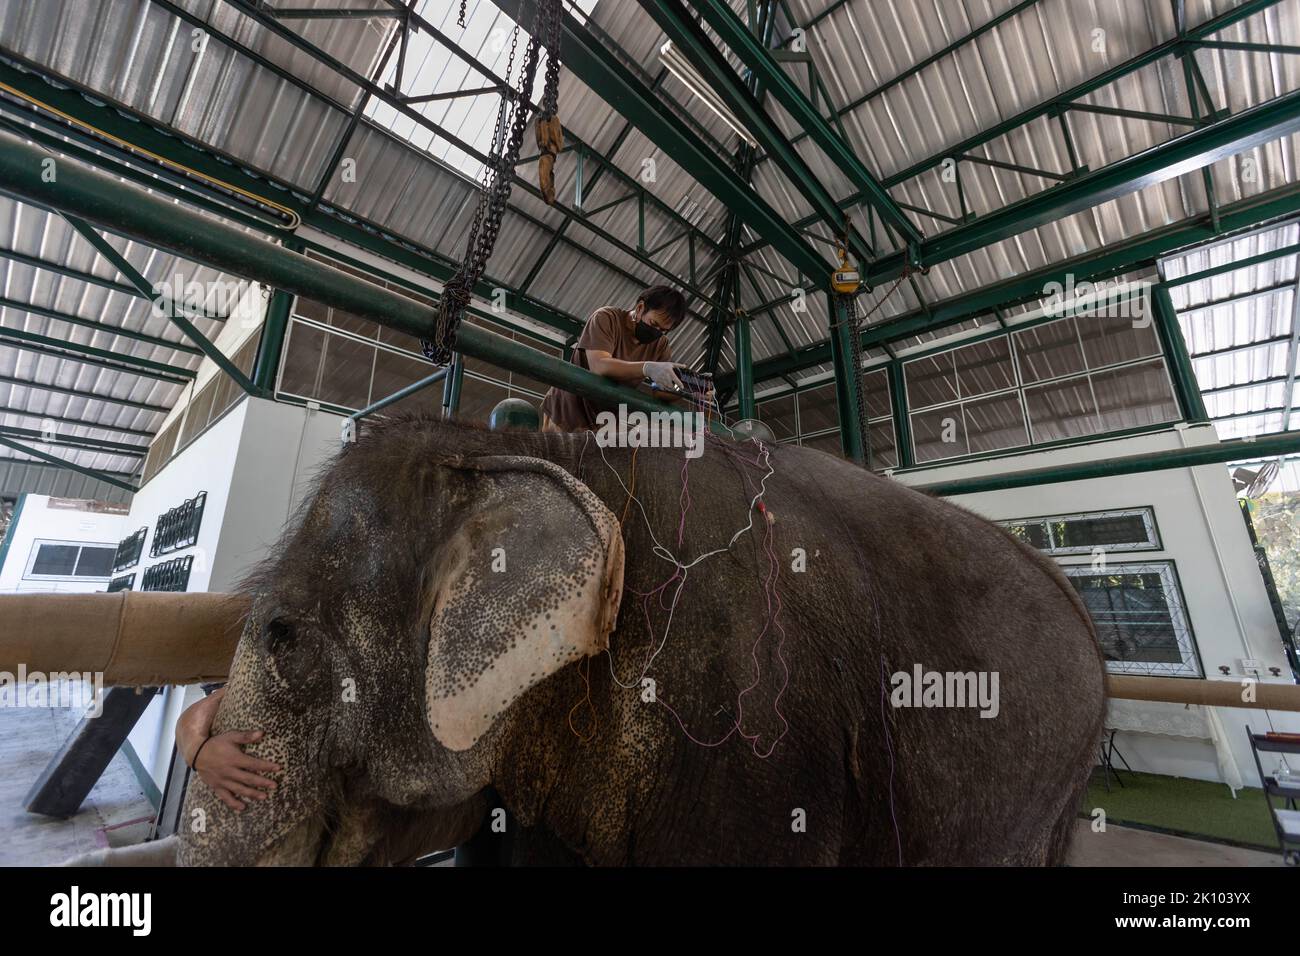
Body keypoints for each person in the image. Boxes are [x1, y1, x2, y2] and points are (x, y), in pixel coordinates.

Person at [540, 285, 691, 432]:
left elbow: (659, 392)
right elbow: (599, 366)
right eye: (653, 324)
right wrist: (647, 368)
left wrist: (688, 389)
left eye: (663, 331)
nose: (656, 332)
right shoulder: (606, 318)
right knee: (554, 455)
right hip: (567, 410)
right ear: (640, 308)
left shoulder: (660, 345)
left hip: (603, 421)